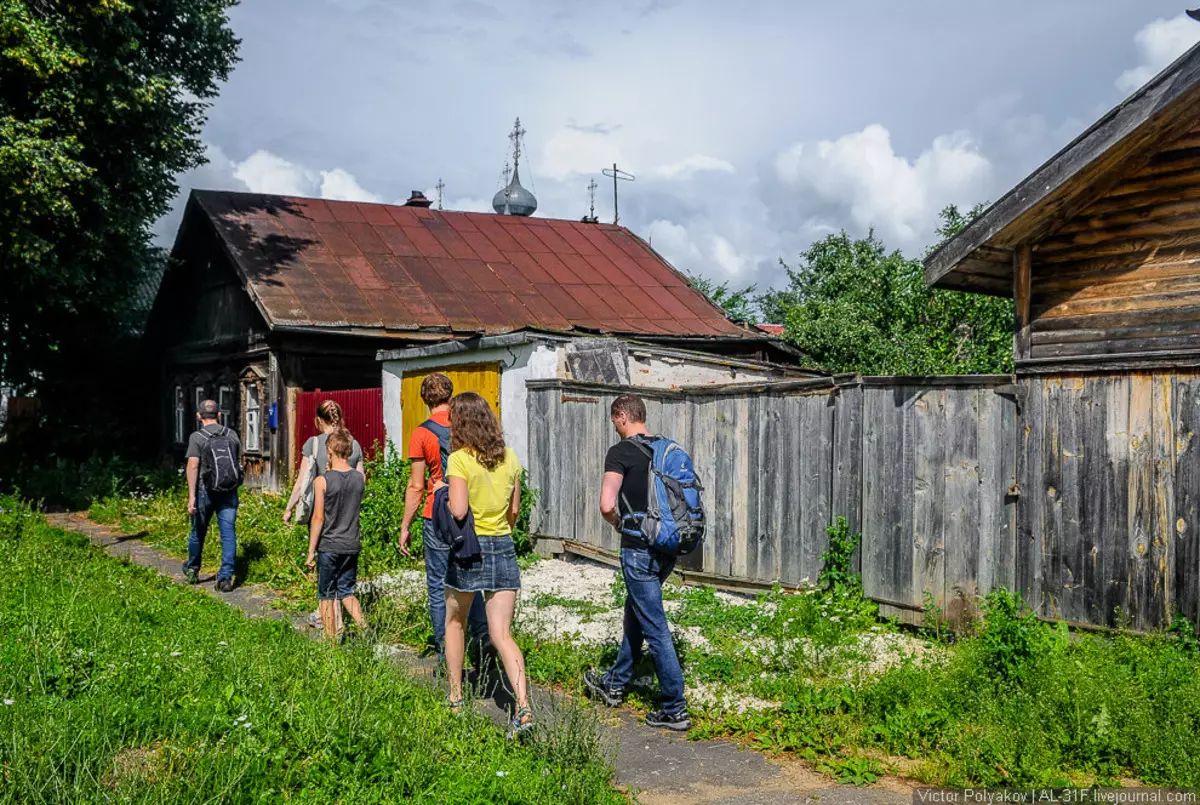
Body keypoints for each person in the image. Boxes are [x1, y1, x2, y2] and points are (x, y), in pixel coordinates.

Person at [584, 392, 691, 730]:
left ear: (621, 417)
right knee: (637, 612)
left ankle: (675, 708)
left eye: (613, 419)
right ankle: (616, 682)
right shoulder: (663, 450)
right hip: (666, 547)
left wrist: (618, 524)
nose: (613, 425)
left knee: (654, 626)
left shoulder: (620, 452)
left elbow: (605, 504)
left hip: (638, 548)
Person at [440, 392, 533, 738]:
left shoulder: (460, 459)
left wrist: (444, 495)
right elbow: (514, 513)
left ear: (459, 422)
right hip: (503, 545)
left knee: (455, 621)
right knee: (502, 634)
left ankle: (455, 698)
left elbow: (460, 510)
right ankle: (523, 707)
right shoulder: (510, 458)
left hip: (470, 546)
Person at [399, 373, 489, 661]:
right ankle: (482, 638)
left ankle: (443, 652)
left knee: (439, 584)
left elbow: (416, 485)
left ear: (425, 399)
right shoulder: (466, 428)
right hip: (468, 513)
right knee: (471, 577)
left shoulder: (421, 433)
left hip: (435, 515)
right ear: (450, 396)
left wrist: (405, 526)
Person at [284, 399, 364, 631]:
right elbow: (361, 479)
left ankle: (333, 627)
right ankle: (346, 624)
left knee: (326, 582)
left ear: (319, 421)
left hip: (324, 522)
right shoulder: (353, 444)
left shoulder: (315, 444)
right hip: (349, 523)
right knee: (345, 583)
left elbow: (302, 481)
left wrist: (290, 508)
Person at [305, 428, 369, 641]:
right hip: (351, 543)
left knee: (326, 595)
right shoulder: (360, 479)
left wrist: (311, 551)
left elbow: (318, 519)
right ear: (350, 452)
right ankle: (366, 629)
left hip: (329, 545)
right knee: (347, 592)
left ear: (329, 451)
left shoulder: (322, 481)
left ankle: (332, 644)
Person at [183, 399, 242, 593]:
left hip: (204, 492)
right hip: (228, 491)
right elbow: (238, 464)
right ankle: (225, 578)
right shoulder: (231, 434)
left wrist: (191, 496)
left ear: (199, 416)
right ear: (218, 415)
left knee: (198, 532)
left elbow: (193, 465)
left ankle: (192, 570)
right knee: (228, 534)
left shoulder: (197, 437)